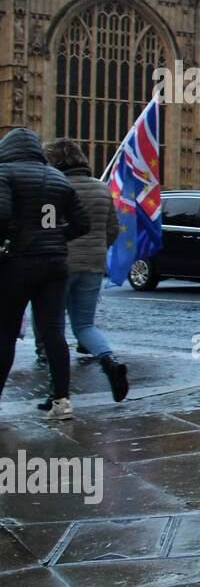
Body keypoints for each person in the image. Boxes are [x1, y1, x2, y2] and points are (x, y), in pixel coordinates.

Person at [0, 128, 90, 419]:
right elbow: (82, 224)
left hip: (18, 263)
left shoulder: (4, 173)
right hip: (55, 263)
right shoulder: (57, 177)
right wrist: (52, 237)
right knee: (53, 332)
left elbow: (1, 215)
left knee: (6, 333)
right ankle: (62, 402)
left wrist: (13, 239)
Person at [42, 138, 129, 404]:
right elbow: (112, 229)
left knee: (53, 330)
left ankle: (57, 394)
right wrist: (97, 250)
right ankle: (110, 362)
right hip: (93, 266)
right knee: (84, 326)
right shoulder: (102, 188)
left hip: (60, 265)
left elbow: (46, 228)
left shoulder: (54, 186)